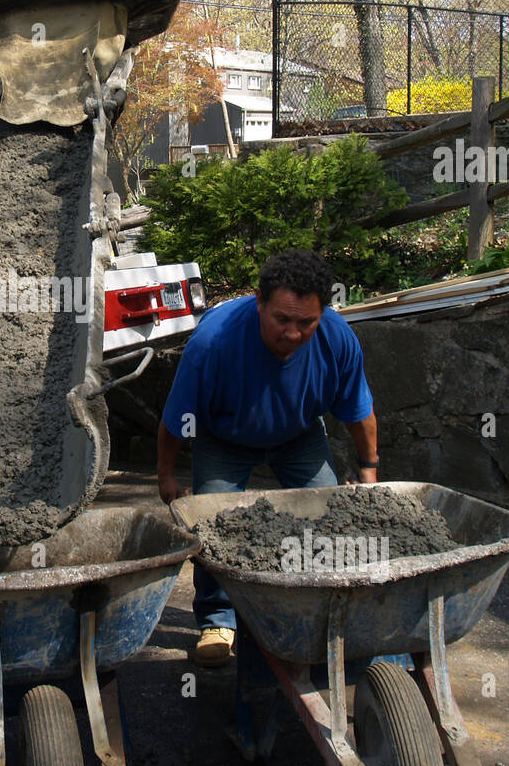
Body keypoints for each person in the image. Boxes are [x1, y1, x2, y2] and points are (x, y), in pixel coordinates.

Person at [157, 249, 379, 667]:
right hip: (224, 437)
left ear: (323, 314)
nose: (293, 333)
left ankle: (322, 600)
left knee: (331, 512)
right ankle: (218, 619)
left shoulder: (338, 340)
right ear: (259, 302)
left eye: (306, 322)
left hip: (298, 435)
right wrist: (166, 473)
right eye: (282, 319)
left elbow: (358, 410)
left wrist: (368, 468)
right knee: (212, 525)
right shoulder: (213, 342)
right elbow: (177, 418)